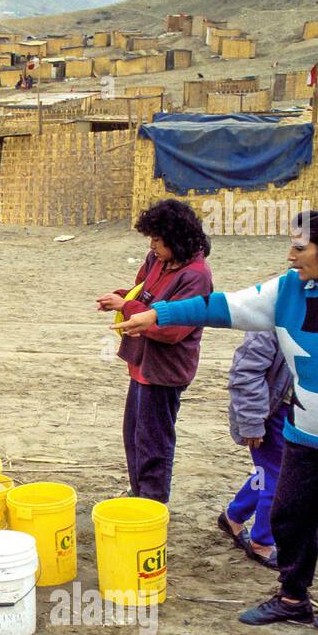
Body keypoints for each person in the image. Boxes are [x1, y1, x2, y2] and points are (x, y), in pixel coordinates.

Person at [117, 210, 318, 630]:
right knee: (290, 515)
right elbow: (223, 305)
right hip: (304, 431)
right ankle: (292, 595)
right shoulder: (289, 289)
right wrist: (158, 316)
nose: (290, 255)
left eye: (300, 248)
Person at [96, 199, 213, 503]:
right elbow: (142, 293)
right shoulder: (157, 260)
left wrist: (128, 306)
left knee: (153, 442)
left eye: (158, 240)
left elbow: (174, 329)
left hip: (163, 370)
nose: (152, 246)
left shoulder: (196, 276)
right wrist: (120, 298)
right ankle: (140, 493)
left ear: (177, 239)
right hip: (142, 363)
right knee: (134, 434)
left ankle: (152, 503)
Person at [218, 331, 292, 569]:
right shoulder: (273, 313)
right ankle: (262, 541)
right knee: (279, 478)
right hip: (274, 411)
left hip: (305, 412)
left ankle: (234, 515)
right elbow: (246, 372)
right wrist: (251, 422)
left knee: (272, 472)